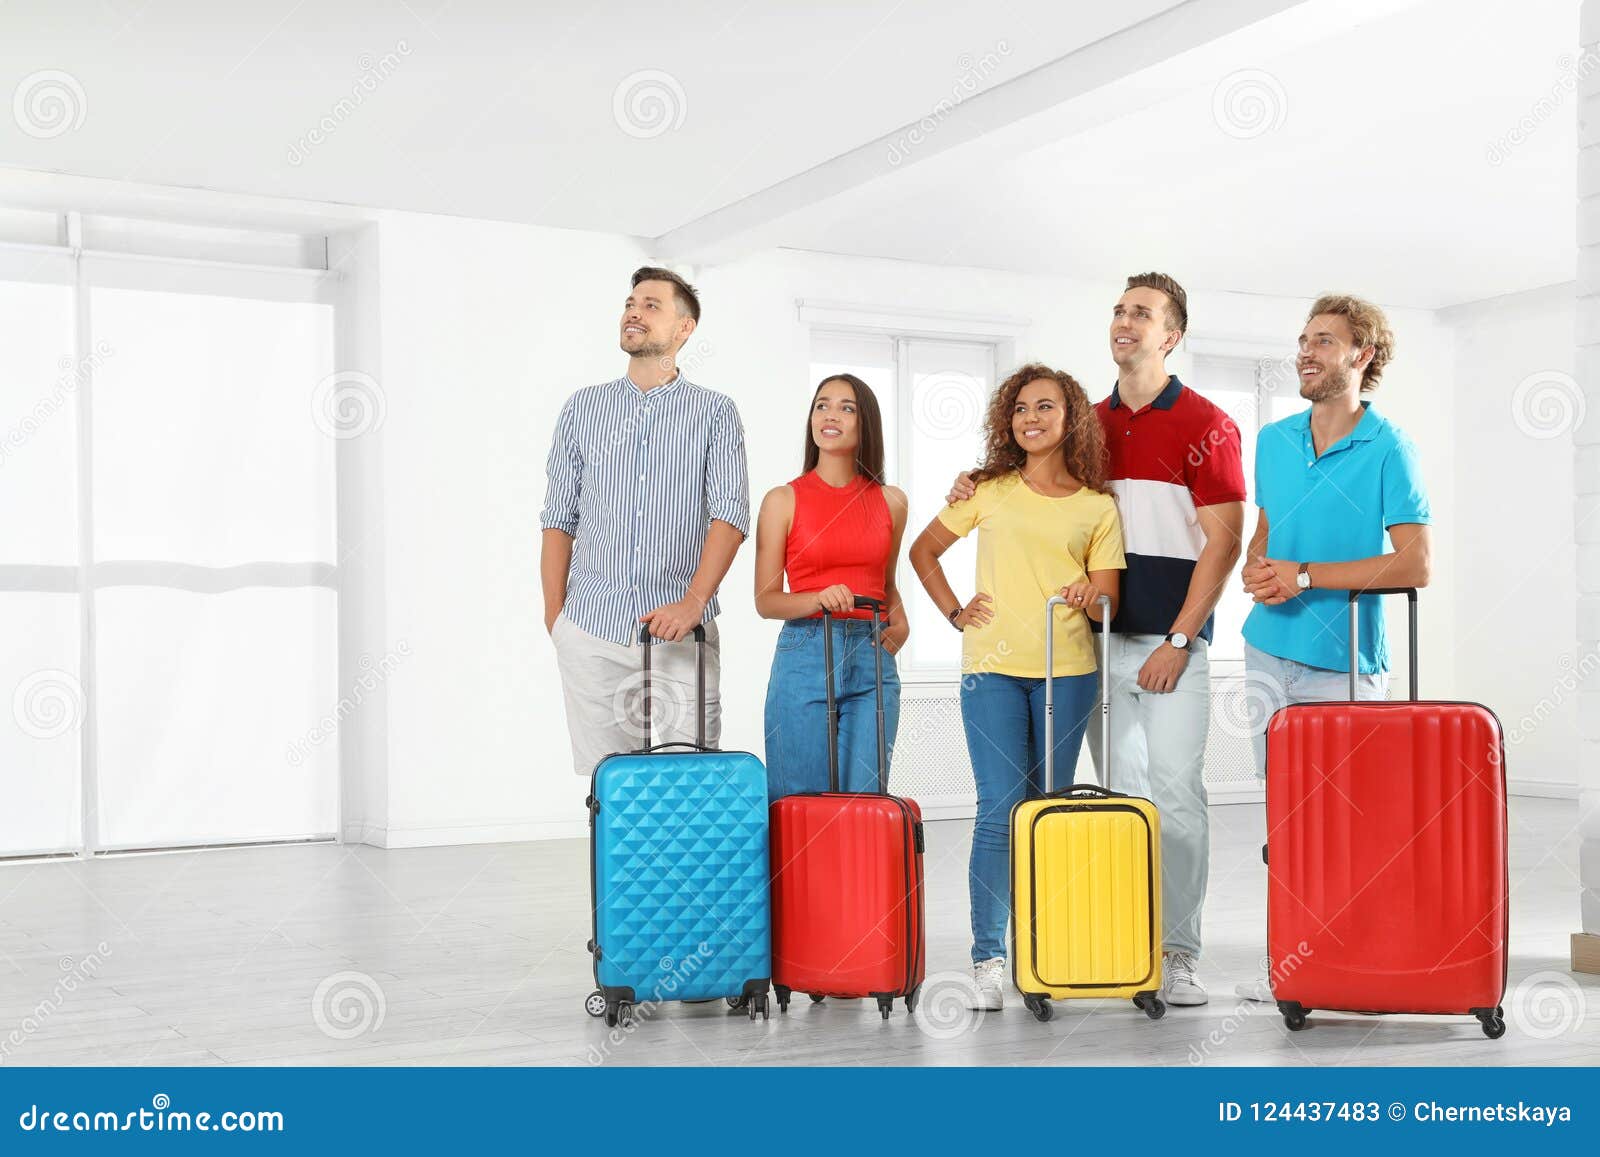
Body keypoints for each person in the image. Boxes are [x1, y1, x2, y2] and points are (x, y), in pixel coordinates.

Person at [947, 273, 1245, 1008]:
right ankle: (1123, 943)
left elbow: (1226, 540)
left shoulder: (1208, 422)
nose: (1125, 322)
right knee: (1117, 799)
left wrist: (1180, 635)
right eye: (1118, 310)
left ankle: (1178, 951)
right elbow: (1035, 492)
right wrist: (972, 482)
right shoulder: (1089, 424)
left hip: (1173, 646)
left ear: (1171, 335)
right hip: (1090, 647)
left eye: (1142, 314)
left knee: (1176, 795)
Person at [1234, 293, 1432, 1002]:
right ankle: (1294, 965)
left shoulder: (1390, 447)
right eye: (1303, 339)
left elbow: (1415, 564)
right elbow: (1266, 532)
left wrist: (1308, 576)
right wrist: (1259, 568)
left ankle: (1357, 963)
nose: (1306, 351)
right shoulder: (1274, 440)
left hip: (1344, 663)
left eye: (1324, 340)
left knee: (1348, 823)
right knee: (1286, 819)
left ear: (1362, 355)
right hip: (1266, 652)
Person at [909, 364, 1124, 1011]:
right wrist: (954, 611)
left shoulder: (1097, 506)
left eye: (1046, 407)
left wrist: (1091, 593)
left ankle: (1045, 950)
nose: (1031, 418)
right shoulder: (989, 489)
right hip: (993, 670)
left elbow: (1108, 595)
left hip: (1070, 671)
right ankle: (988, 958)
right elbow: (923, 550)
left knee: (1049, 810)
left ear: (1071, 419)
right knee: (1000, 808)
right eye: (1021, 408)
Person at [540, 267, 750, 779]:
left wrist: (694, 602)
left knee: (689, 780)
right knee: (608, 785)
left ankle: (688, 865)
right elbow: (557, 517)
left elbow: (731, 514)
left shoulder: (715, 412)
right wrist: (557, 618)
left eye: (652, 304)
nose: (634, 311)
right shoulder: (582, 408)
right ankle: (622, 866)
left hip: (682, 634)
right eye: (630, 302)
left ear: (684, 328)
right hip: (591, 627)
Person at [754, 374, 909, 801]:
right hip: (805, 653)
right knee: (799, 799)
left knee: (866, 802)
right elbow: (766, 601)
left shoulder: (891, 501)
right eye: (822, 405)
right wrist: (816, 599)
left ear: (866, 423)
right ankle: (799, 873)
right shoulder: (782, 500)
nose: (830, 415)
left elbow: (886, 582)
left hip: (871, 658)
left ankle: (856, 872)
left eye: (847, 407)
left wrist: (902, 620)